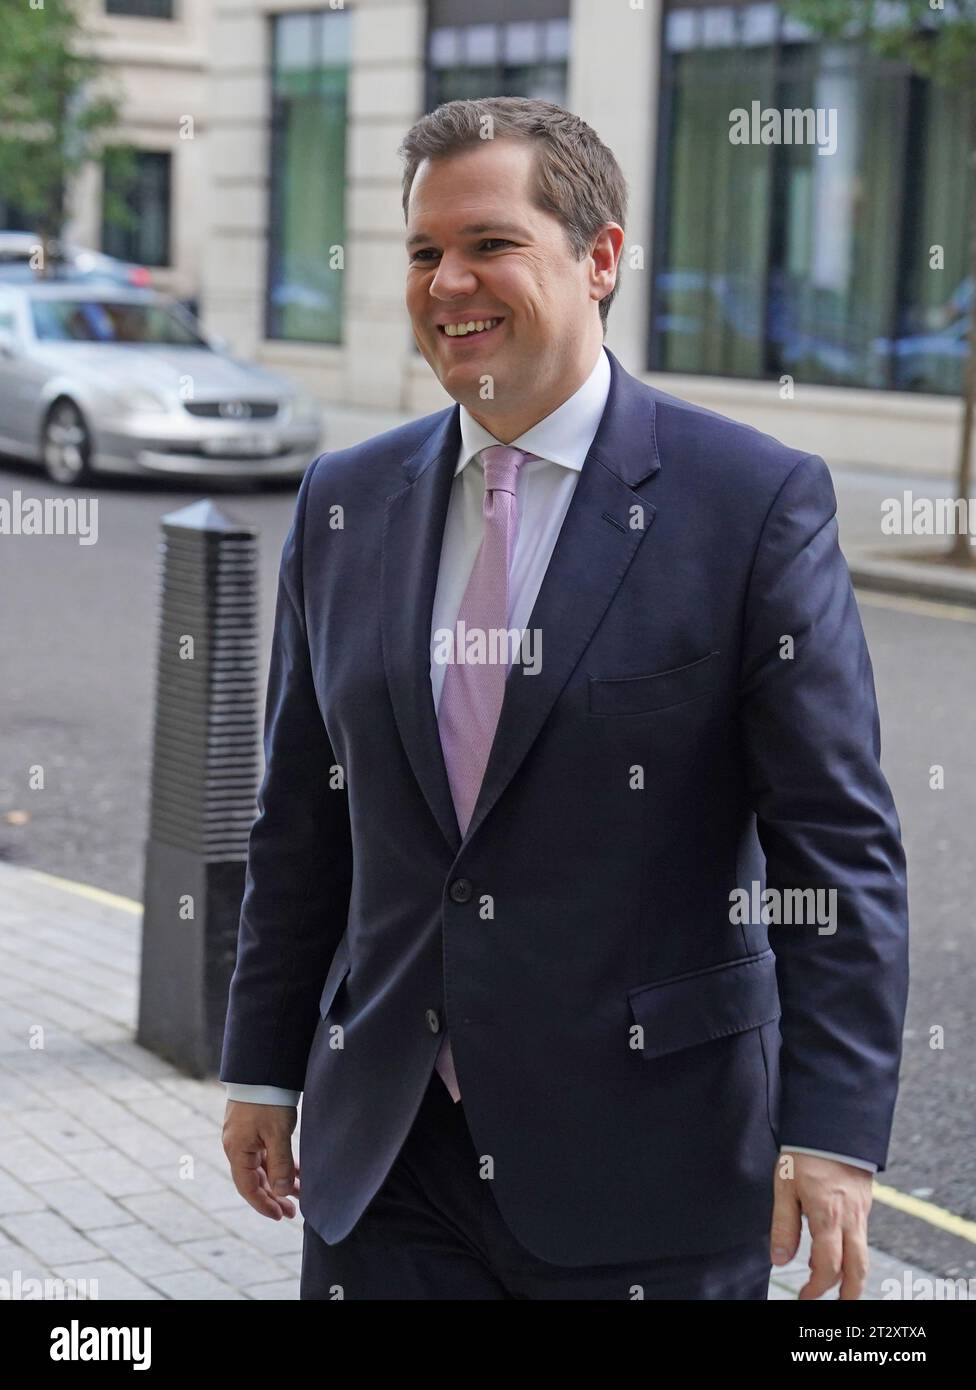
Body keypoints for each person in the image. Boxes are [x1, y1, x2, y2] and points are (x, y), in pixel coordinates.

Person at [220, 97, 909, 1301]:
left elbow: (835, 846)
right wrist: (265, 1068)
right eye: (424, 251)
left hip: (647, 1162)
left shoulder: (748, 504)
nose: (448, 282)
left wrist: (835, 1132)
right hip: (388, 1160)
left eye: (489, 243)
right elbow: (303, 821)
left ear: (599, 259)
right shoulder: (343, 501)